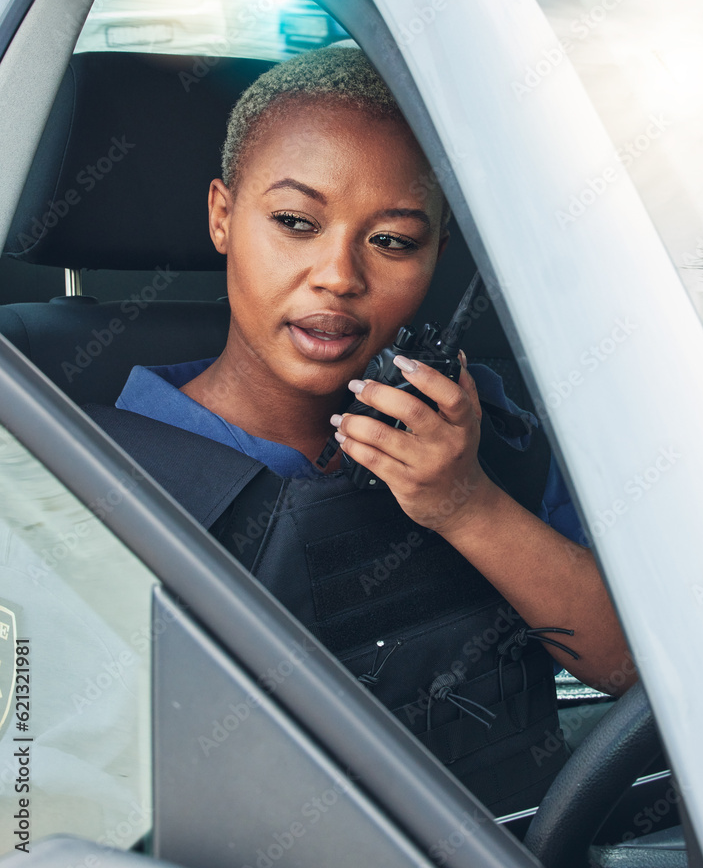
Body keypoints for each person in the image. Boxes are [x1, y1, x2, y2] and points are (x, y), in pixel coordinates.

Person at [110, 45, 635, 809]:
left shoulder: (484, 426)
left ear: (438, 253)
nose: (339, 275)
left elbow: (625, 667)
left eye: (392, 240)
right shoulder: (91, 462)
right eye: (295, 223)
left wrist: (466, 504)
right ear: (222, 216)